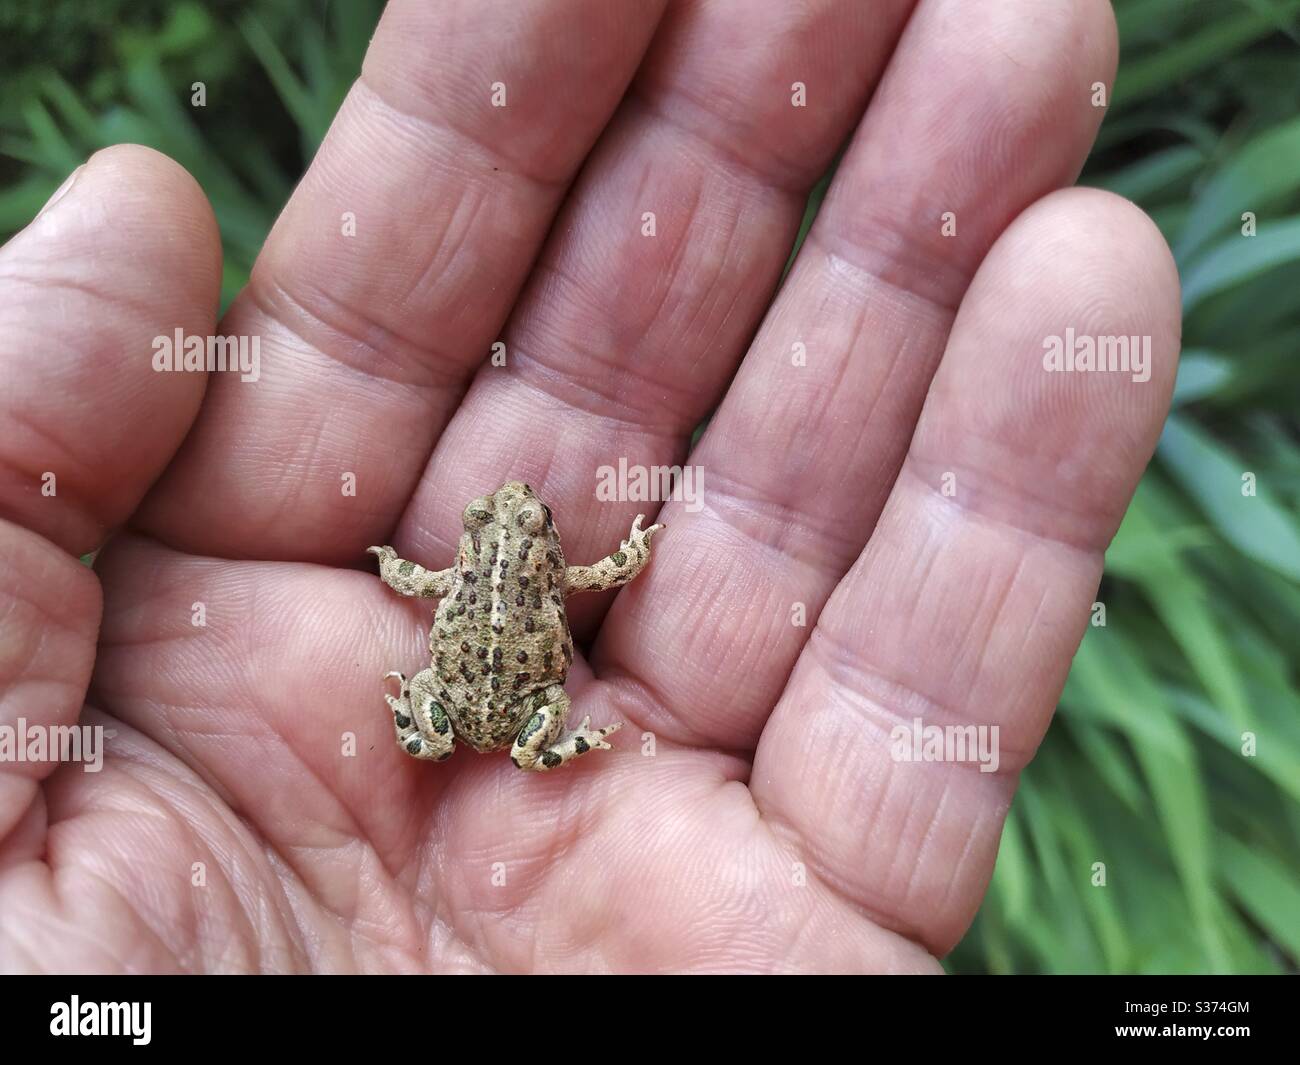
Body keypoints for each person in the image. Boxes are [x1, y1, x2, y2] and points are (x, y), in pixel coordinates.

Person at [0, 0, 1179, 972]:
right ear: (508, 539)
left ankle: (491, 734)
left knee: (452, 712)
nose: (505, 521)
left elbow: (421, 573)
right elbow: (598, 566)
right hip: (503, 706)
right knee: (523, 732)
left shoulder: (462, 569)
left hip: (462, 696)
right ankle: (538, 748)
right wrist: (625, 563)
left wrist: (402, 580)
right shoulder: (536, 566)